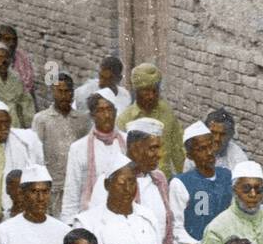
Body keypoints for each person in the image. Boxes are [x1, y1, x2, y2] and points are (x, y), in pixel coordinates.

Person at [167, 119, 233, 244]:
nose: (209, 152)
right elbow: (176, 226)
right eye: (201, 149)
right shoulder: (181, 183)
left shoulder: (227, 176)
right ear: (189, 155)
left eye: (210, 146)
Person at [124, 117, 187, 244]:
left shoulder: (159, 180)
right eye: (153, 148)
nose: (159, 155)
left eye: (159, 148)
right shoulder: (117, 182)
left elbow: (167, 229)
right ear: (134, 148)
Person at [61, 88, 124, 219]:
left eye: (109, 109)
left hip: (122, 217)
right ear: (92, 115)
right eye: (101, 110)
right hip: (91, 218)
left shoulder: (127, 143)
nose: (107, 115)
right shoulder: (79, 148)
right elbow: (71, 193)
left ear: (115, 112)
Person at [31, 71, 88, 216]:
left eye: (67, 91)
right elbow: (35, 153)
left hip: (76, 185)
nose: (63, 95)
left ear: (72, 93)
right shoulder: (42, 119)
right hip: (53, 186)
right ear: (52, 93)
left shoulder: (82, 120)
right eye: (59, 91)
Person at [116, 61, 182, 177]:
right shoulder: (125, 120)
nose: (151, 96)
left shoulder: (167, 113)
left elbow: (179, 151)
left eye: (155, 91)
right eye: (146, 91)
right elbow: (120, 158)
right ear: (136, 91)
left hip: (165, 182)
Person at [0, 41, 35, 128]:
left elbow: (25, 102)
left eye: (5, 57)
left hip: (16, 123)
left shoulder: (16, 78)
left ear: (10, 60)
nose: (3, 61)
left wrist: (28, 125)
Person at [182, 107, 247, 174]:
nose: (217, 139)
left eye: (222, 134)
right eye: (213, 133)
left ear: (230, 136)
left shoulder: (237, 157)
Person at [0, 24, 35, 95]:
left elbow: (29, 85)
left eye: (14, 40)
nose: (12, 43)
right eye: (7, 39)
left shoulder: (23, 58)